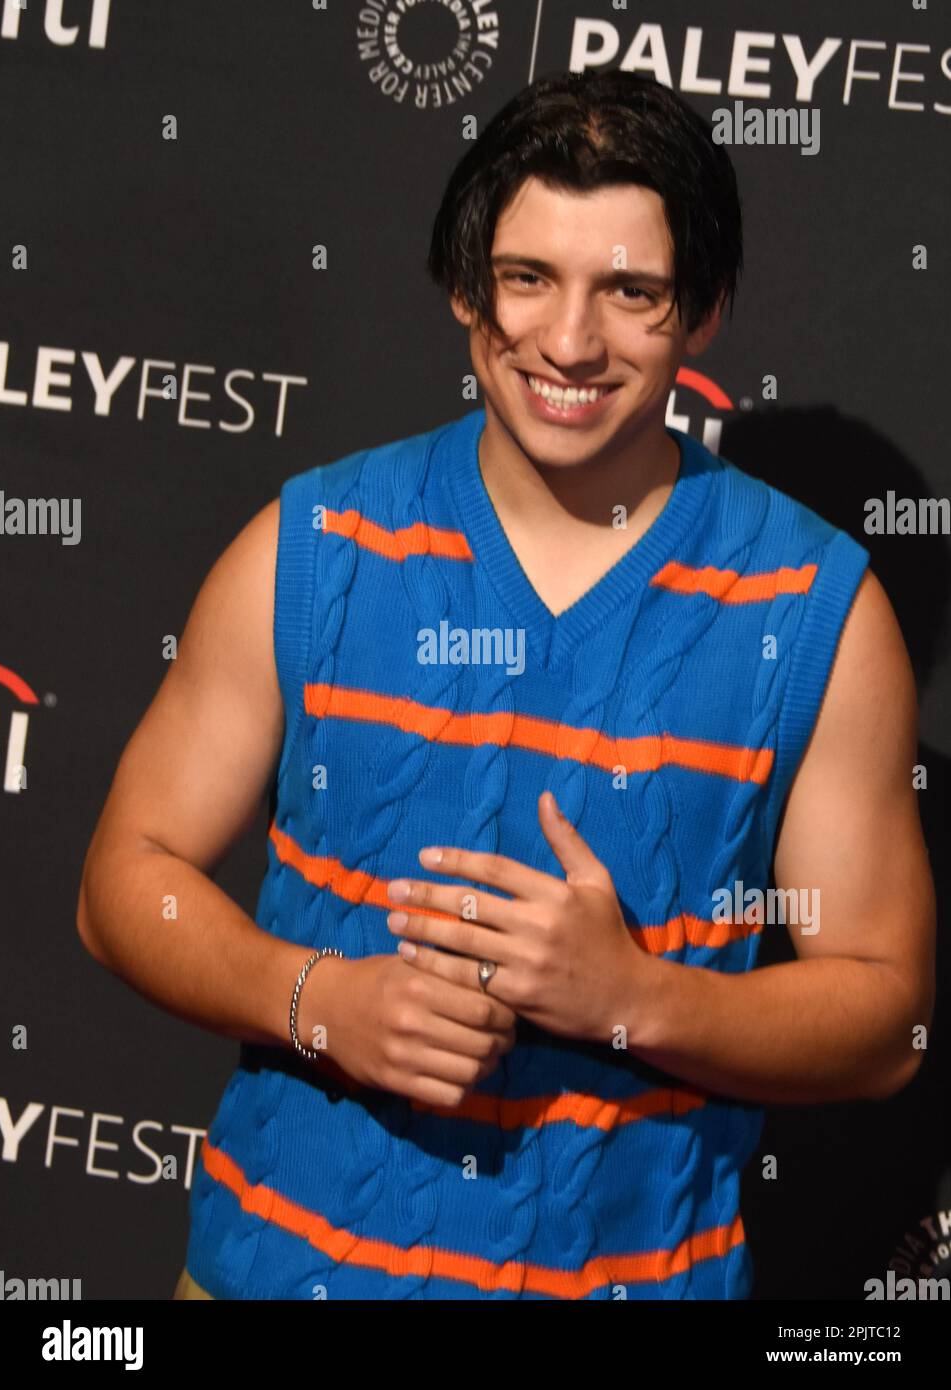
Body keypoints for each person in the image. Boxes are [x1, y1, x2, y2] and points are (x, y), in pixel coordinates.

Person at [77, 70, 935, 1301]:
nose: (569, 342)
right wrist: (320, 1000)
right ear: (465, 286)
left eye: (629, 292)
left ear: (701, 313)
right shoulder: (311, 546)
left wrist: (637, 998)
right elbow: (122, 883)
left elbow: (887, 1020)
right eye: (527, 277)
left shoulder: (816, 612)